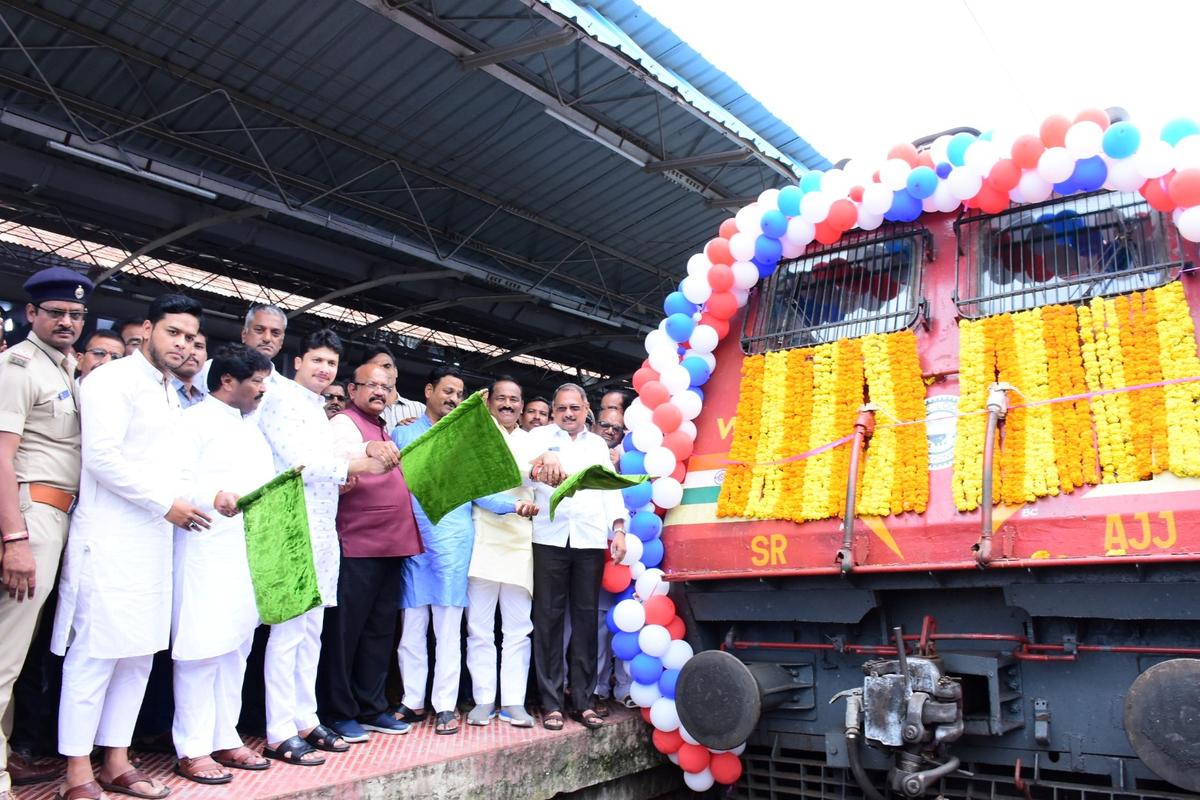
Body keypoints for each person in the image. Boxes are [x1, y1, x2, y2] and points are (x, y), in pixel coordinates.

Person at [51, 293, 210, 800]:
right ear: (147, 329)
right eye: (173, 332)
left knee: (138, 655)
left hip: (154, 542)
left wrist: (204, 499)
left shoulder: (169, 392)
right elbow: (102, 459)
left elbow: (173, 468)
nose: (182, 344)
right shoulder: (111, 380)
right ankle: (78, 771)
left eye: (190, 337)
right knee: (94, 655)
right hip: (110, 538)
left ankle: (116, 762)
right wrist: (165, 505)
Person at [257, 330, 389, 765]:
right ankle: (278, 730)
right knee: (288, 632)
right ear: (297, 362)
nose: (324, 369)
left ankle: (305, 718)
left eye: (331, 363)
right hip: (291, 526)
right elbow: (301, 464)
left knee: (312, 630)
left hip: (322, 529)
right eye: (316, 360)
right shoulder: (279, 399)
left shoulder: (317, 408)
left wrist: (347, 471)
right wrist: (358, 465)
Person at [391, 368, 532, 735]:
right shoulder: (402, 434)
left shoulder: (464, 441)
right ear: (428, 391)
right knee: (412, 628)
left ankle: (445, 705)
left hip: (453, 542)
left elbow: (481, 492)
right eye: (447, 391)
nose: (453, 398)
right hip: (412, 542)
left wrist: (513, 505)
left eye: (459, 394)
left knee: (448, 629)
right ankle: (412, 700)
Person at [0, 267, 93, 797]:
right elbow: (1, 456)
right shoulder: (18, 367)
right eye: (56, 312)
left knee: (18, 653)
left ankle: (7, 757)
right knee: (5, 655)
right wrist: (14, 539)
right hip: (31, 516)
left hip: (55, 517)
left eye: (76, 314)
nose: (67, 322)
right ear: (31, 313)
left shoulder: (64, 368)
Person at [170, 345, 274, 785]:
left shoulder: (251, 427)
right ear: (228, 380)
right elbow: (176, 480)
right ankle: (192, 747)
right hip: (205, 545)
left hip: (248, 550)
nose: (263, 390)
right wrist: (214, 496)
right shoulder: (192, 421)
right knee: (202, 647)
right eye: (257, 382)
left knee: (236, 647)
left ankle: (225, 736)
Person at [321, 363, 423, 743]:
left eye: (386, 387)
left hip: (392, 544)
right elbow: (338, 457)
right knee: (346, 633)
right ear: (353, 389)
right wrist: (368, 448)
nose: (380, 392)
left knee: (379, 632)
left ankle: (371, 706)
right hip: (358, 544)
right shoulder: (344, 422)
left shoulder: (383, 427)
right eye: (372, 385)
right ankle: (338, 712)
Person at [527, 384, 627, 731]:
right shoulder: (538, 438)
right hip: (548, 536)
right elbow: (519, 469)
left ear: (586, 409)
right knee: (548, 620)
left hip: (588, 539)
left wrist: (618, 530)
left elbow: (609, 489)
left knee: (586, 621)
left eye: (574, 407)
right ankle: (551, 703)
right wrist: (541, 459)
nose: (568, 414)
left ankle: (583, 701)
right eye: (561, 408)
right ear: (553, 411)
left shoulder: (597, 444)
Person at [464, 378, 539, 728]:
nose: (508, 404)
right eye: (501, 398)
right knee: (479, 627)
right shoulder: (477, 438)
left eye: (514, 399)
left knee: (518, 628)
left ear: (521, 405)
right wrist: (513, 504)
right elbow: (475, 489)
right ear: (490, 402)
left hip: (520, 542)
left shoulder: (533, 441)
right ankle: (483, 700)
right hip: (485, 538)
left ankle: (513, 702)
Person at [362, 345, 424, 432]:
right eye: (375, 368)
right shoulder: (360, 413)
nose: (383, 372)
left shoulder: (419, 409)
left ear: (396, 371)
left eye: (387, 366)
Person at [170, 331, 207, 409]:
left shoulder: (205, 396)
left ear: (206, 356)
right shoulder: (158, 389)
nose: (192, 352)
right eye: (186, 344)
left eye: (198, 346)